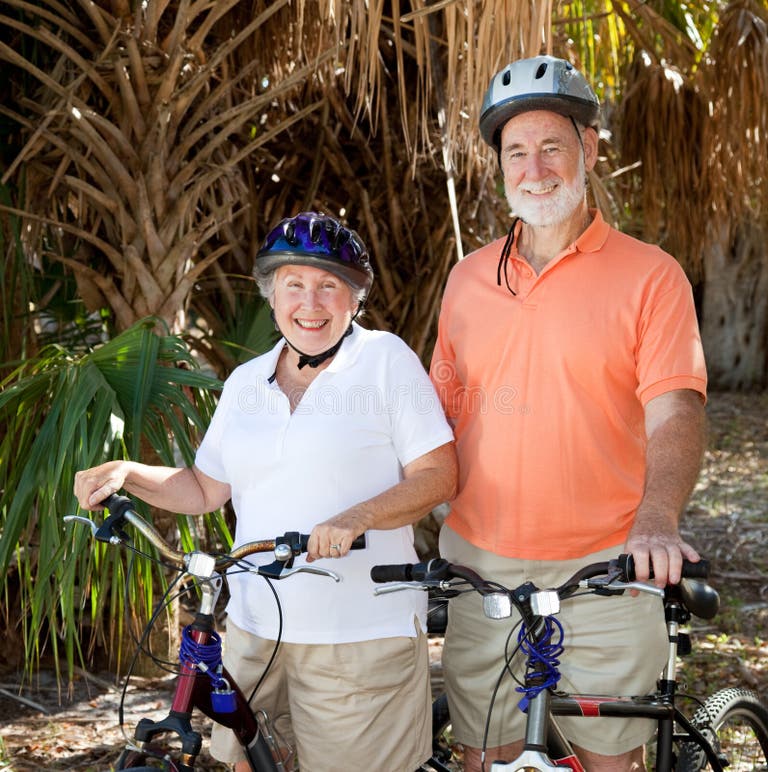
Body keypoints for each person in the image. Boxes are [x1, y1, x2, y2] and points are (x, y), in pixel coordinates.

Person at [74, 211, 457, 772]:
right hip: (253, 633)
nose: (311, 302)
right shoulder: (246, 381)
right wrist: (128, 471)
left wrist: (357, 517)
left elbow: (439, 476)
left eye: (329, 286)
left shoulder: (384, 361)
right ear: (271, 298)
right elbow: (205, 487)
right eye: (294, 285)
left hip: (357, 636)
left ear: (354, 301)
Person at [429, 55, 707, 772]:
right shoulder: (467, 281)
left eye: (552, 145)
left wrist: (658, 517)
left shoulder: (651, 276)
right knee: (482, 758)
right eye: (516, 152)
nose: (535, 167)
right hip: (481, 566)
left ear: (588, 149)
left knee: (607, 762)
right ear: (500, 167)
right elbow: (437, 420)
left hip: (606, 565)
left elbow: (674, 411)